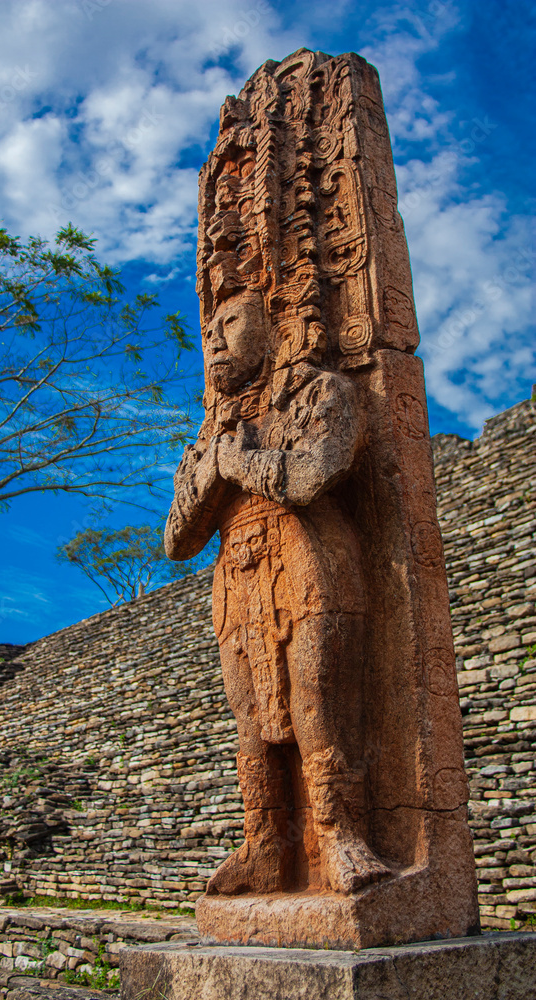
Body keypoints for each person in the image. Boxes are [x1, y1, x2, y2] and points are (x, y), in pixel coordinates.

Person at [165, 287, 391, 894]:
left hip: (309, 558)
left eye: (231, 322)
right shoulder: (212, 435)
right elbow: (176, 539)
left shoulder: (321, 392)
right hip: (235, 584)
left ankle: (340, 836)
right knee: (249, 722)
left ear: (275, 328)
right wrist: (215, 469)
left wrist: (244, 466)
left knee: (318, 706)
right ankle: (266, 848)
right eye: (208, 327)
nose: (212, 337)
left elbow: (317, 471)